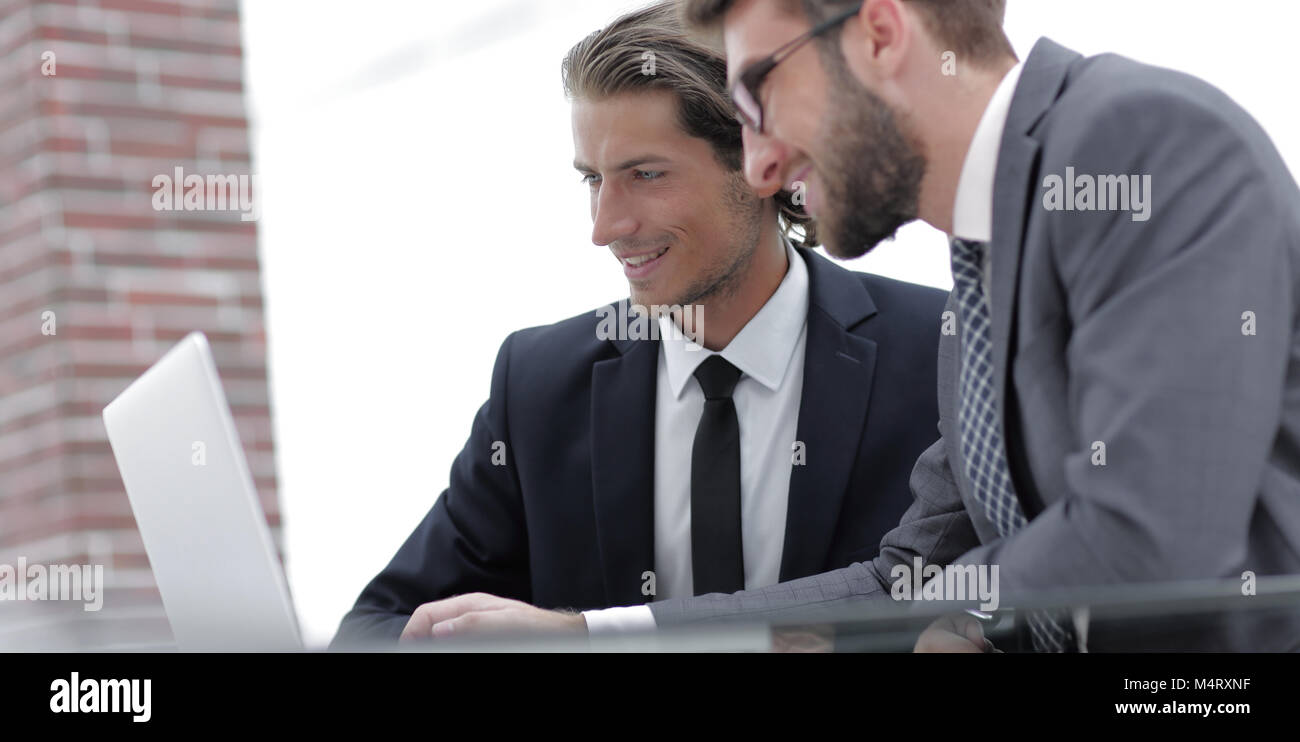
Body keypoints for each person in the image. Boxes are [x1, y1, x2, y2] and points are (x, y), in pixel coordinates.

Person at [414, 0, 1300, 652]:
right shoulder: (983, 273)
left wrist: (965, 618)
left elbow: (1151, 532)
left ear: (880, 33)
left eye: (761, 87)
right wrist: (587, 635)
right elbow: (900, 580)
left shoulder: (1135, 139)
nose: (758, 159)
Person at [330, 1, 948, 645]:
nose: (604, 228)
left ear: (760, 160)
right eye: (593, 179)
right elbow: (374, 625)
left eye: (645, 174)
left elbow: (1000, 594)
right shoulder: (538, 384)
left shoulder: (938, 349)